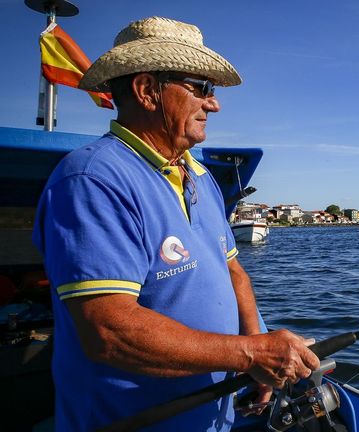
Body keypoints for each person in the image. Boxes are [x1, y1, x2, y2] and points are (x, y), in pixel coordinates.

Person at [33, 16, 319, 431]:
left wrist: (255, 354)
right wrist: (252, 355)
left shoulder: (198, 174)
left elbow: (232, 269)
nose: (214, 104)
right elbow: (108, 329)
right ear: (147, 90)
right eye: (201, 88)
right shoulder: (92, 179)